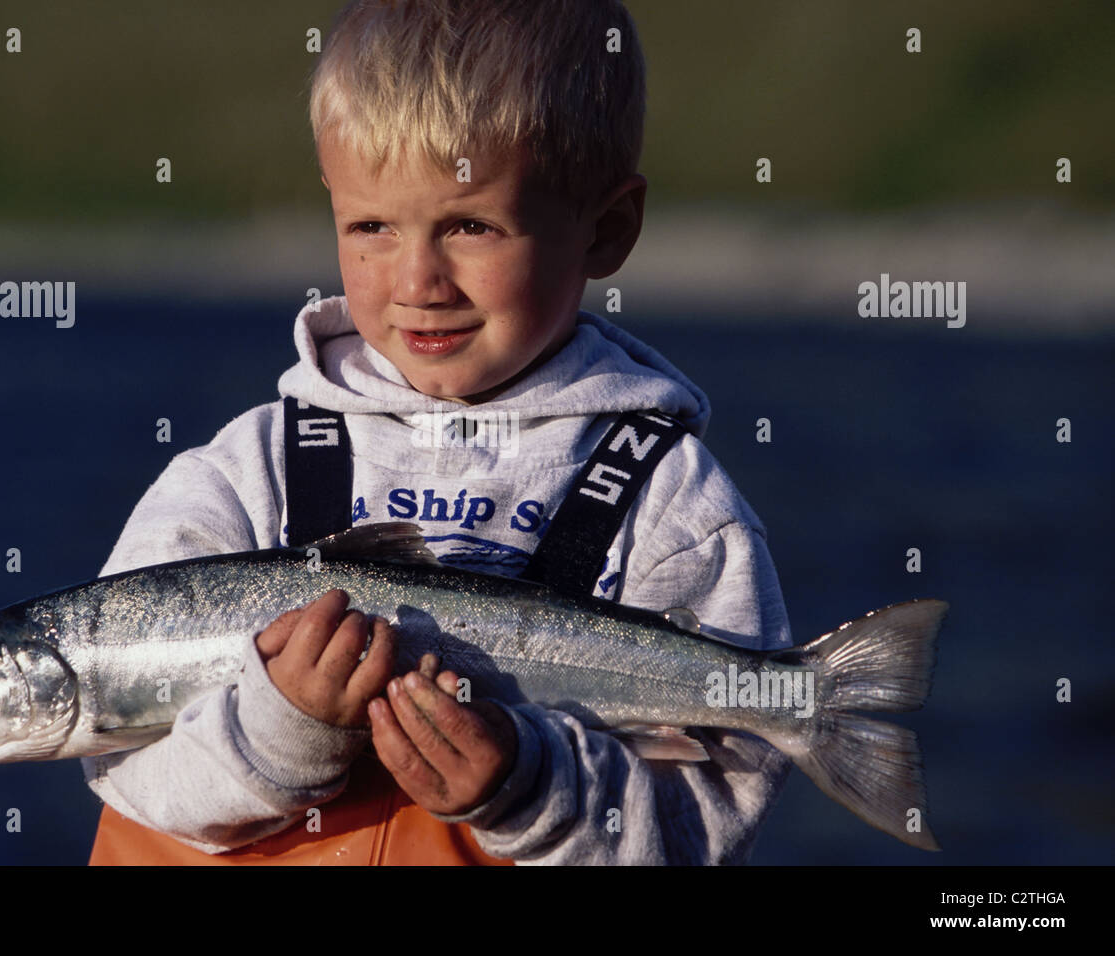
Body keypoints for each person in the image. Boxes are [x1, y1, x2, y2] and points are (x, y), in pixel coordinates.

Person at [85, 0, 793, 865]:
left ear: (607, 230)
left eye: (470, 226)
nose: (419, 280)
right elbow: (127, 765)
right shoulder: (241, 475)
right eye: (371, 227)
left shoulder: (672, 504)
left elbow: (703, 819)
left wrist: (529, 784)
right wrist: (281, 734)